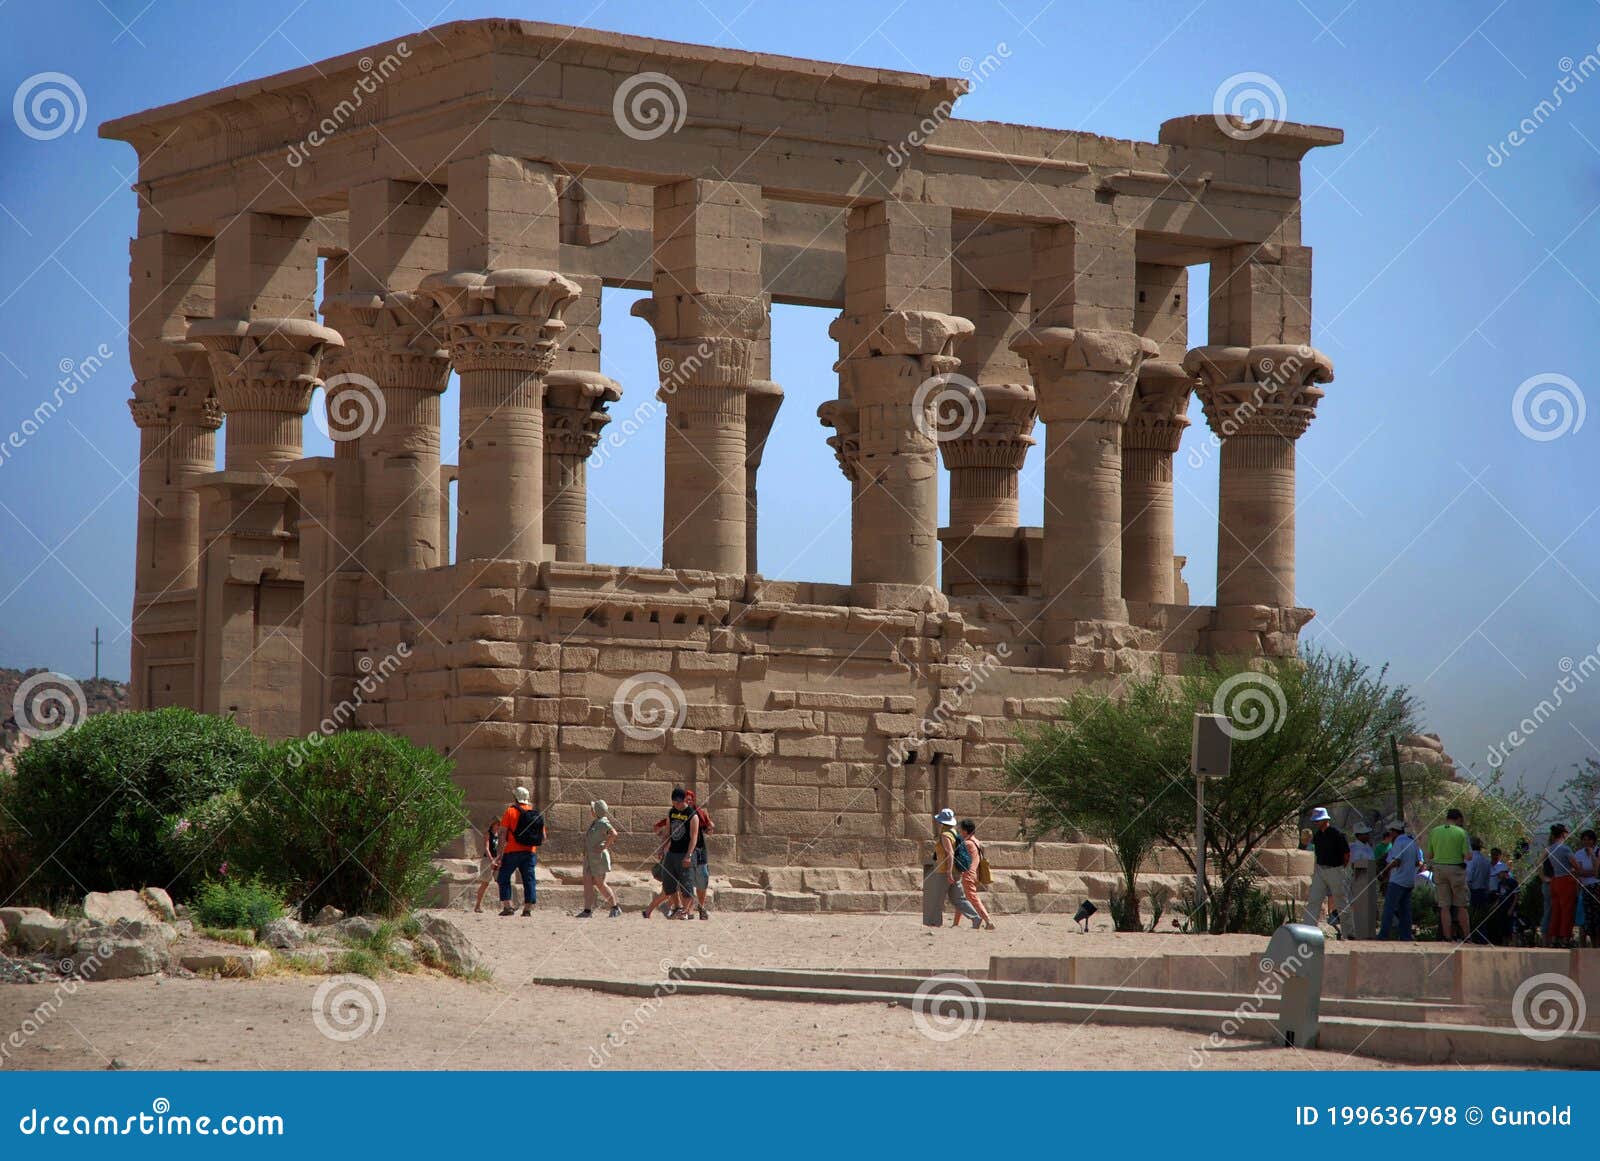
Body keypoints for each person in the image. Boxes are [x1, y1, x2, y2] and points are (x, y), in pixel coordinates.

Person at [643, 789, 699, 920]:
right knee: (668, 883)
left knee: (686, 884)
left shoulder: (692, 815)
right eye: (674, 803)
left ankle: (685, 911)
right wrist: (662, 848)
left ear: (684, 800)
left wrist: (689, 855)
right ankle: (678, 908)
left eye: (678, 803)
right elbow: (668, 833)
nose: (676, 805)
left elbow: (694, 837)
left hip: (684, 853)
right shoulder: (672, 812)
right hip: (672, 853)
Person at [496, 787, 545, 917]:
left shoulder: (510, 811)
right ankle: (527, 908)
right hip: (529, 852)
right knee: (529, 880)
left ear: (515, 798)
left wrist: (499, 854)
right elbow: (543, 837)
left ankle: (508, 906)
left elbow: (502, 834)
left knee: (503, 877)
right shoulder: (535, 813)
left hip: (512, 851)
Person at [1425, 808, 1470, 941]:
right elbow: (1469, 856)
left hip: (1439, 869)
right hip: (1456, 869)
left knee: (1444, 905)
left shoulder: (1434, 831)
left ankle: (1447, 937)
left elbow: (1429, 855)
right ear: (1459, 819)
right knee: (1461, 905)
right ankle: (1467, 937)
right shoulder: (1462, 832)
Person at [1303, 807, 1349, 931]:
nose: (1317, 823)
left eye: (1318, 820)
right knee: (1314, 899)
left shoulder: (1336, 833)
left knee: (1341, 900)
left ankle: (1349, 931)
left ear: (1325, 820)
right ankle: (1308, 928)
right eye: (1316, 821)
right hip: (1321, 869)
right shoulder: (1318, 836)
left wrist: (1340, 868)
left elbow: (1346, 853)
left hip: (1335, 869)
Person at [933, 808, 981, 928]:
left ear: (941, 822)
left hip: (945, 871)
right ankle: (975, 918)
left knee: (937, 898)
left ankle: (935, 922)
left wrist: (948, 872)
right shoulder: (955, 833)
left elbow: (950, 853)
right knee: (959, 898)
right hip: (957, 871)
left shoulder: (945, 835)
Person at [1378, 821, 1423, 941]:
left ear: (1394, 832)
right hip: (1409, 880)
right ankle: (1405, 936)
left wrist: (1385, 871)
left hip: (1397, 880)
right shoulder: (1412, 842)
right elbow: (1418, 862)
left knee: (1389, 908)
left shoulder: (1398, 842)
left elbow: (1396, 861)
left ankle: (1383, 935)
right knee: (1405, 910)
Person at [576, 800, 620, 919]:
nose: (591, 810)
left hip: (598, 858)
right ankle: (587, 910)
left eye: (593, 809)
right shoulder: (596, 822)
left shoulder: (603, 822)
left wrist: (604, 846)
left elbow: (614, 834)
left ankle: (615, 907)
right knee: (587, 884)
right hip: (590, 858)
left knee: (600, 884)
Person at [1545, 823, 1578, 948]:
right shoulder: (1565, 849)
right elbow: (1576, 865)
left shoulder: (1550, 849)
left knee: (1556, 911)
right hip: (1566, 880)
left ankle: (1554, 938)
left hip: (1555, 880)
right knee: (1567, 911)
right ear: (1563, 834)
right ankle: (1565, 939)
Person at [958, 819, 995, 931]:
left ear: (965, 831)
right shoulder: (976, 842)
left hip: (968, 874)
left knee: (972, 898)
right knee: (961, 898)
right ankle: (956, 922)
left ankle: (988, 921)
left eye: (961, 830)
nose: (959, 832)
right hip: (976, 874)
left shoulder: (967, 843)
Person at [685, 789, 714, 921]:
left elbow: (708, 829)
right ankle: (689, 910)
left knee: (702, 879)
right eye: (685, 799)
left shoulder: (700, 814)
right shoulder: (678, 815)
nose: (688, 801)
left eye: (690, 799)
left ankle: (701, 907)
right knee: (688, 881)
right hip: (685, 852)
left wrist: (710, 827)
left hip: (700, 851)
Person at [1346, 822, 1377, 940]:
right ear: (1358, 835)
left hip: (1369, 880)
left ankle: (1367, 931)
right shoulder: (1354, 848)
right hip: (1359, 880)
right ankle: (1354, 930)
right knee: (1356, 905)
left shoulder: (1368, 847)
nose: (1367, 836)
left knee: (1367, 906)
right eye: (1365, 834)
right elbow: (1355, 865)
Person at [473, 815, 505, 913]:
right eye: (497, 825)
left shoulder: (498, 835)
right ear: (493, 824)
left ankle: (506, 906)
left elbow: (500, 848)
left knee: (501, 882)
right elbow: (486, 848)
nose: (498, 827)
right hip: (488, 860)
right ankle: (477, 906)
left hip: (496, 859)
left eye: (499, 825)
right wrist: (491, 860)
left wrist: (499, 859)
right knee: (485, 883)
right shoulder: (488, 834)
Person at [1574, 829, 1600, 949]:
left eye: (1588, 839)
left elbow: (1596, 872)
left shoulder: (1598, 851)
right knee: (1588, 919)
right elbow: (1579, 872)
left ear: (1593, 840)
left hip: (1597, 887)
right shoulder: (1578, 854)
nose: (1586, 842)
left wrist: (1592, 855)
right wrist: (1588, 873)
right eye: (1584, 839)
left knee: (1597, 918)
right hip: (1585, 887)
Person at [1465, 837, 1492, 944]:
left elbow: (1469, 877)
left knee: (1472, 917)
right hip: (1483, 892)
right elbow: (1488, 878)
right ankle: (1482, 939)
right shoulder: (1485, 860)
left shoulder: (1471, 859)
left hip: (1473, 892)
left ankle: (1473, 938)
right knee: (1482, 919)